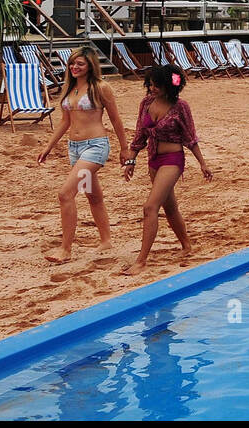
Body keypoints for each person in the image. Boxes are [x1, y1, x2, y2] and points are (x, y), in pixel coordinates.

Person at [38, 48, 132, 263]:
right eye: (72, 63)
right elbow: (65, 121)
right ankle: (106, 239)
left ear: (90, 65)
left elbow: (116, 120)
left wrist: (124, 148)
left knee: (65, 194)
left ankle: (65, 249)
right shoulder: (70, 88)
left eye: (80, 64)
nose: (74, 67)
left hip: (95, 146)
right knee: (93, 195)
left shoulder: (101, 88)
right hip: (74, 148)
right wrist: (49, 147)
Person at [122, 64, 212, 275]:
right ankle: (186, 245)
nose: (152, 88)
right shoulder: (146, 103)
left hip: (172, 159)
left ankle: (141, 261)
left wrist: (202, 163)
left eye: (157, 85)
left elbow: (190, 137)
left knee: (150, 207)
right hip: (153, 159)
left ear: (168, 86)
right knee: (170, 207)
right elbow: (139, 135)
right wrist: (131, 161)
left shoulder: (181, 107)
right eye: (150, 84)